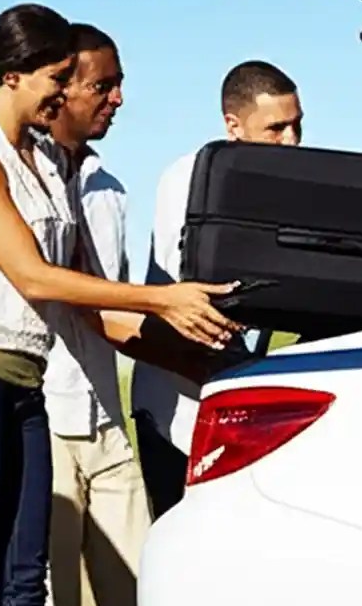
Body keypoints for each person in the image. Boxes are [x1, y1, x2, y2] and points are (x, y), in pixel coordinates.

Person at [0, 3, 240, 606]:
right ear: (12, 75)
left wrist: (203, 339)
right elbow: (33, 275)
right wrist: (166, 297)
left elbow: (94, 298)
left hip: (23, 383)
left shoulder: (43, 166)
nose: (62, 93)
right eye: (57, 78)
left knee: (24, 578)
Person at [129, 59, 304, 520]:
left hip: (238, 399)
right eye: (276, 128)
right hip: (175, 403)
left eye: (297, 125)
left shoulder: (295, 184)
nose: (291, 140)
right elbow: (183, 291)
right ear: (233, 124)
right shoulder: (190, 177)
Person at [36, 23, 148, 606]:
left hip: (107, 421)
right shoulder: (22, 181)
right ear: (62, 90)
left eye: (119, 83)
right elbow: (62, 286)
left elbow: (116, 314)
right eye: (103, 85)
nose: (118, 98)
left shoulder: (111, 190)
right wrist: (165, 305)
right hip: (45, 422)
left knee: (141, 604)